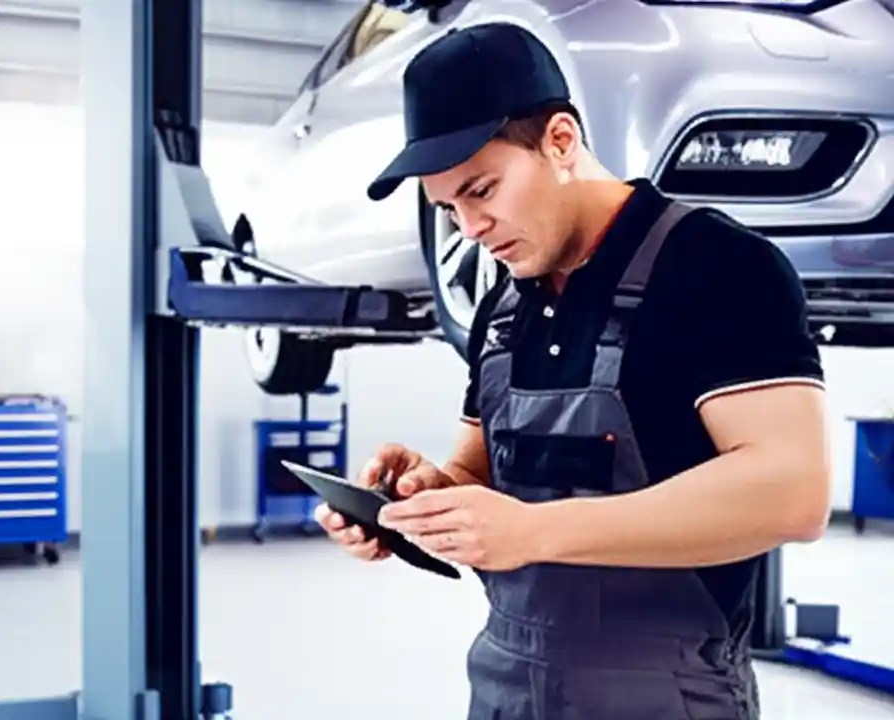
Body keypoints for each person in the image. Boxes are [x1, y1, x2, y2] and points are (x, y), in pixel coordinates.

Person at [314, 22, 831, 719]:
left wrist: (536, 531)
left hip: (664, 695)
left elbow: (791, 492)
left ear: (560, 141)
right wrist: (423, 498)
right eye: (449, 208)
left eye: (483, 190)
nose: (470, 228)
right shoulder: (504, 303)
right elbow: (483, 475)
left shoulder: (716, 267)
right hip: (504, 687)